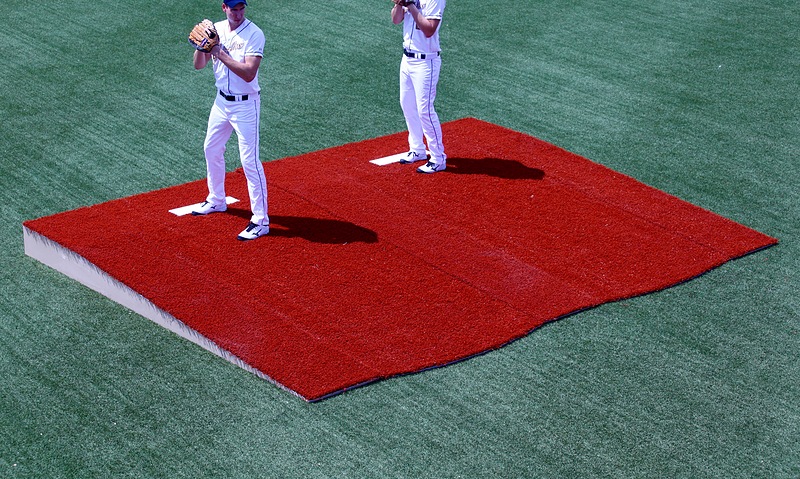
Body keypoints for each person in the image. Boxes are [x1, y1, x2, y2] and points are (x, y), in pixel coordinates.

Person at [191, 0, 269, 241]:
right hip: (222, 103)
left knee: (250, 162)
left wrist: (219, 53)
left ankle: (261, 221)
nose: (238, 13)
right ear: (224, 7)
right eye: (233, 9)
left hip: (246, 105)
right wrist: (201, 47)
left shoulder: (254, 34)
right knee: (211, 148)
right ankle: (216, 200)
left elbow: (248, 73)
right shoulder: (216, 29)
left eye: (241, 8)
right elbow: (198, 65)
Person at [391, 0, 447, 174]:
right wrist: (399, 4)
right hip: (407, 59)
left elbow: (429, 29)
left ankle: (438, 158)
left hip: (426, 61)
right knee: (406, 104)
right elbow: (395, 19)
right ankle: (417, 149)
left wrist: (412, 6)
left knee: (425, 110)